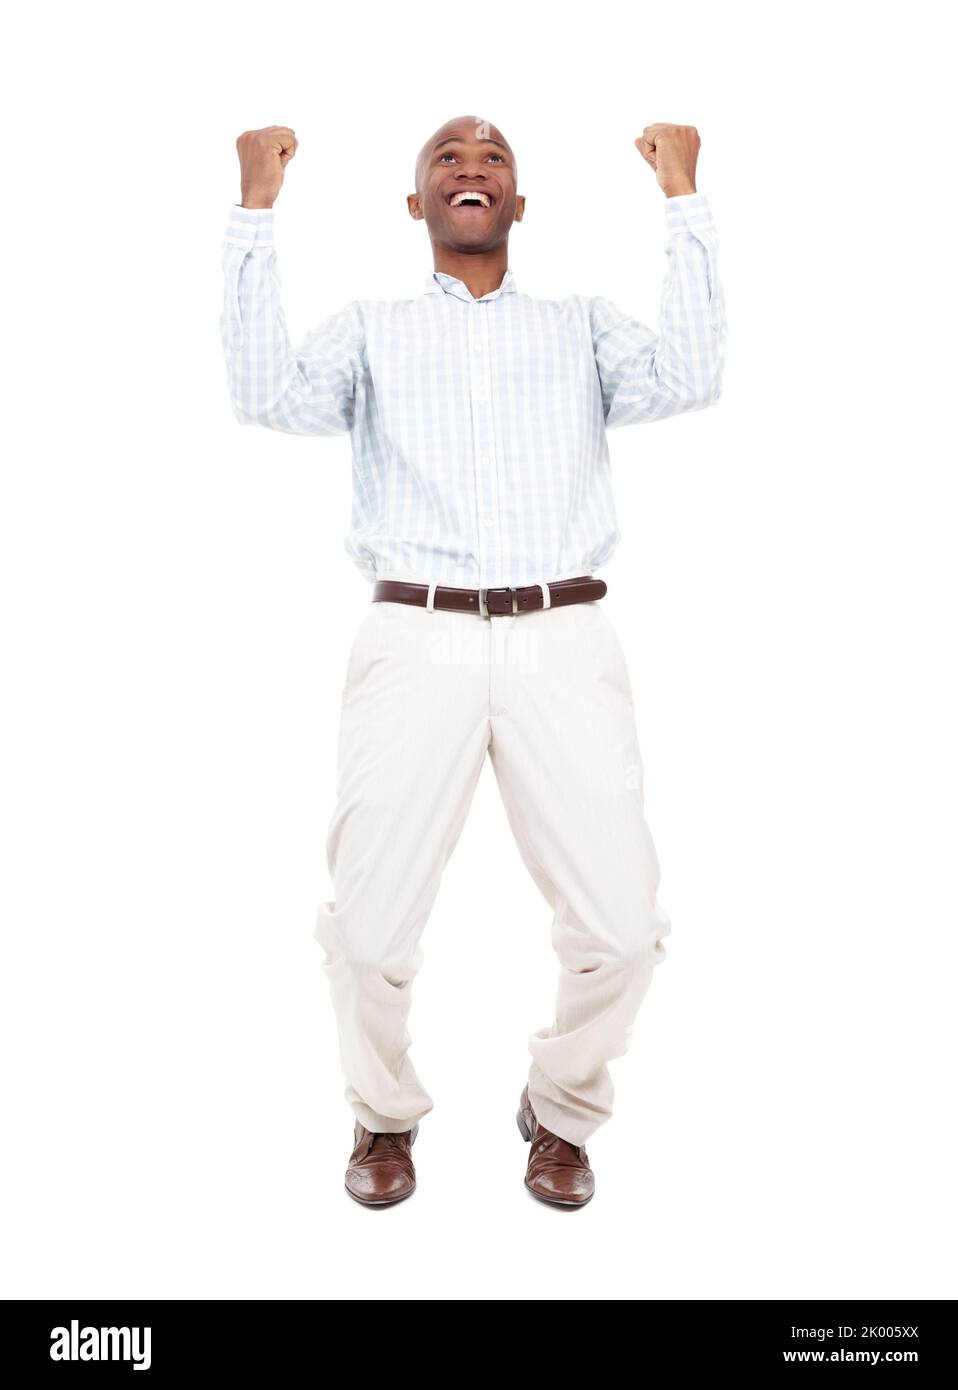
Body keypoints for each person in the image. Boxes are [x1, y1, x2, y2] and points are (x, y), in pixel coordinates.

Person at [220, 113, 727, 1208]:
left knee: (624, 926)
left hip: (562, 634)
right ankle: (381, 1116)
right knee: (364, 929)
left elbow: (689, 375)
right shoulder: (372, 331)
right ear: (417, 204)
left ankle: (560, 1108)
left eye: (492, 155)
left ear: (517, 202)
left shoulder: (577, 326)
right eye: (446, 157)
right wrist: (254, 207)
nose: (469, 166)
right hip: (414, 635)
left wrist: (680, 192)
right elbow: (266, 397)